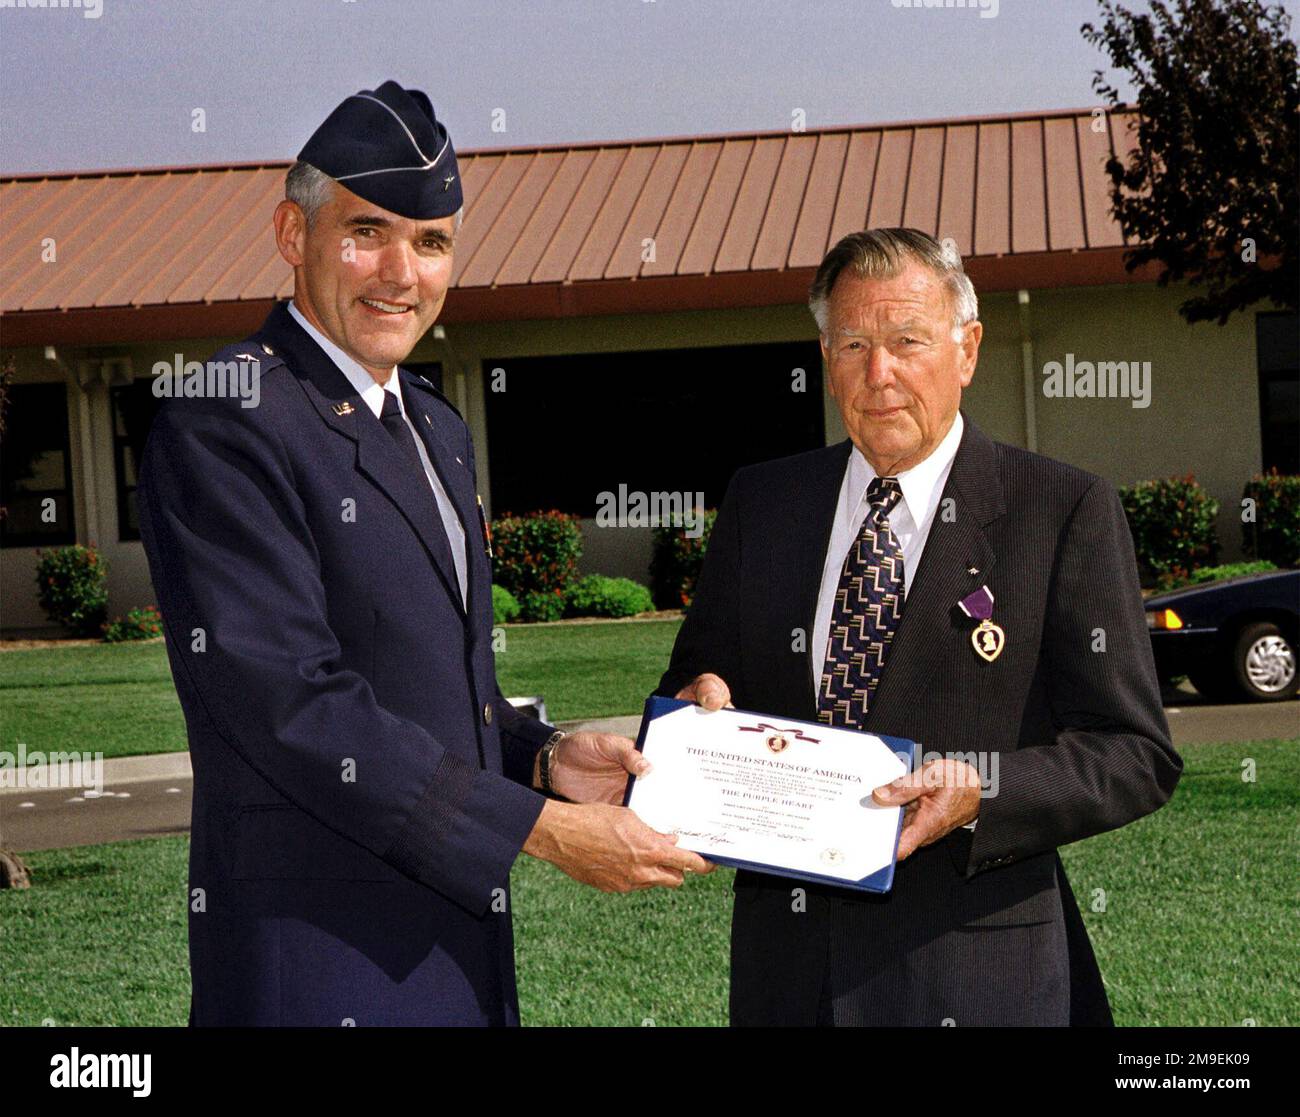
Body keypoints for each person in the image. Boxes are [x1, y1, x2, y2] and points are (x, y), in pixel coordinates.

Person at [138, 80, 708, 1027]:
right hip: (321, 956)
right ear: (293, 233)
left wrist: (544, 757)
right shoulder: (228, 417)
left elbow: (442, 684)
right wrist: (544, 830)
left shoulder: (435, 428)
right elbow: (294, 703)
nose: (402, 272)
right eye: (368, 232)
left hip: (457, 948)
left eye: (433, 241)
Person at [660, 228, 1182, 1027]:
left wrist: (982, 794)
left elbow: (1135, 753)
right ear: (825, 355)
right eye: (853, 343)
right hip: (788, 974)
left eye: (908, 341)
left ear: (966, 349)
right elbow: (696, 675)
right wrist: (702, 698)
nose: (880, 374)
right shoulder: (763, 504)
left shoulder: (1061, 509)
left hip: (973, 975)